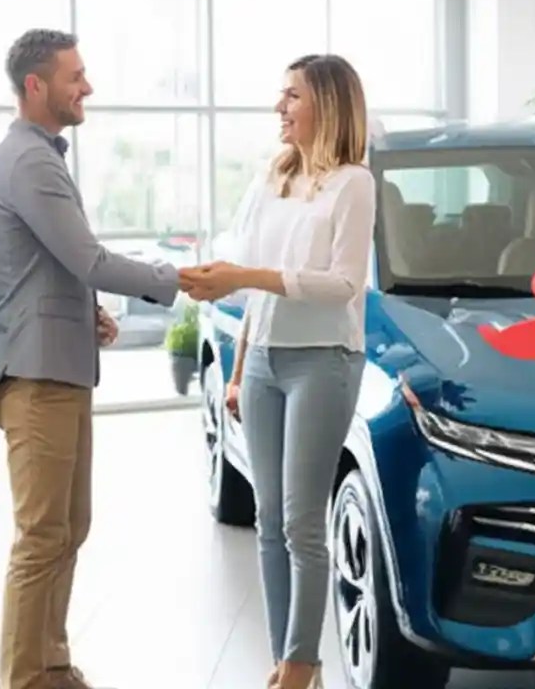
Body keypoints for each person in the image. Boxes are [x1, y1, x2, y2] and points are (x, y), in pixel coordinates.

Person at [0, 28, 192, 689]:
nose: (88, 86)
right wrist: (177, 279)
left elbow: (51, 267)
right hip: (37, 377)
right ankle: (24, 676)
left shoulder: (41, 155)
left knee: (68, 527)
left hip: (58, 367)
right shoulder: (31, 160)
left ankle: (51, 664)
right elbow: (89, 258)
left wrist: (84, 311)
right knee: (42, 535)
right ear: (36, 86)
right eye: (77, 75)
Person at [183, 53, 375, 689]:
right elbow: (254, 287)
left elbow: (343, 284)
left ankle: (303, 664)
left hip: (324, 363)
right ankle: (284, 663)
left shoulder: (353, 184)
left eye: (292, 95)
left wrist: (243, 277)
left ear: (326, 103)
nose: (280, 106)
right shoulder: (272, 177)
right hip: (263, 361)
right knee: (268, 520)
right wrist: (238, 370)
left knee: (300, 522)